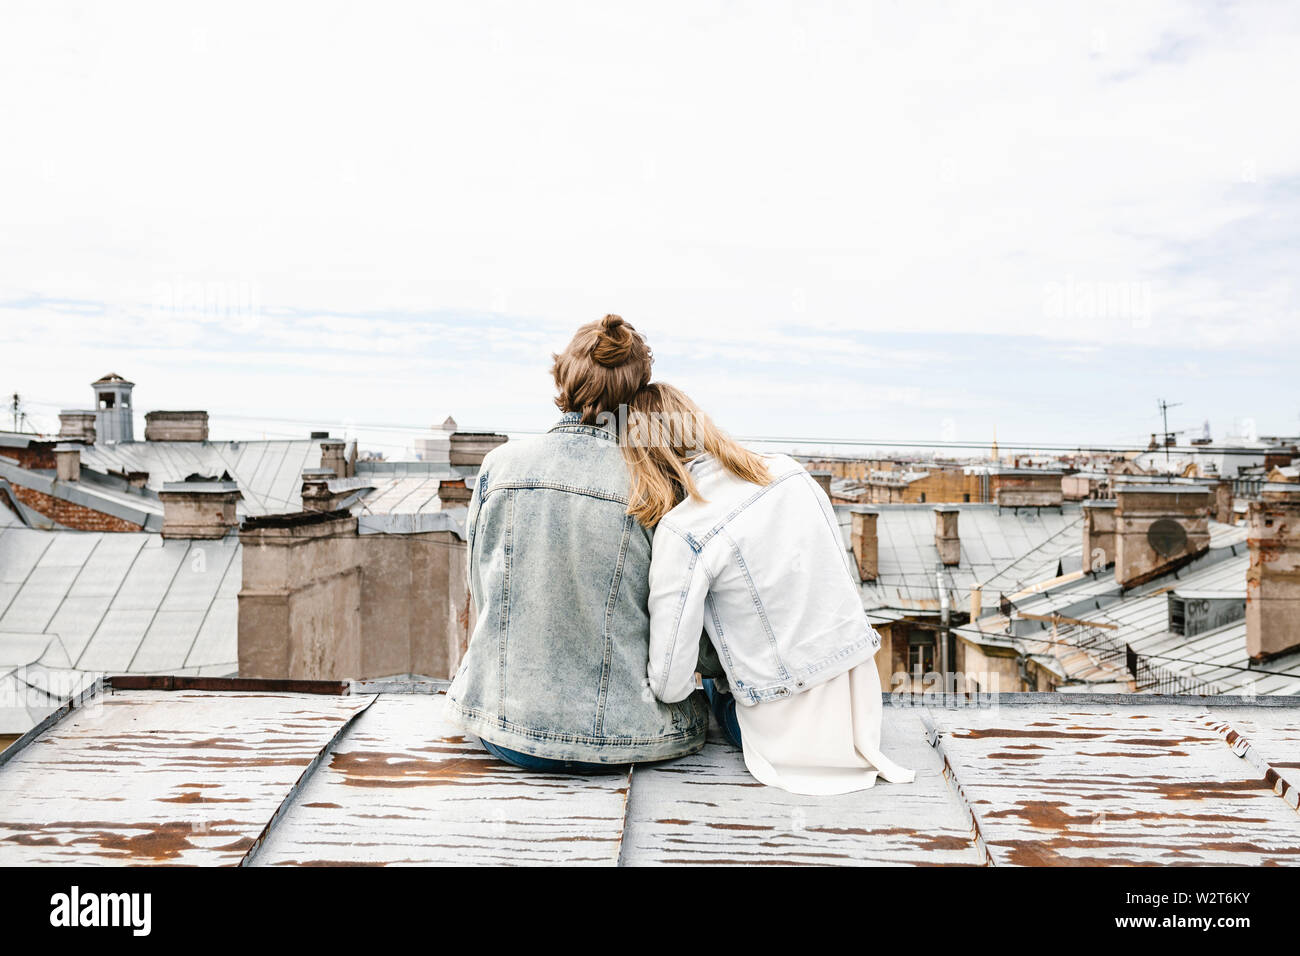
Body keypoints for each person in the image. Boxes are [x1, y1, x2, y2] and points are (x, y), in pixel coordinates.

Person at [445, 316, 710, 771]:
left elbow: (483, 593)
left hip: (508, 732)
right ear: (638, 392)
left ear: (563, 377)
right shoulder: (657, 483)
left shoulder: (499, 466)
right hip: (627, 738)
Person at [627, 382, 915, 794]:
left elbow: (670, 683)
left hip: (787, 738)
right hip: (860, 714)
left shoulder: (683, 529)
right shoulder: (790, 471)